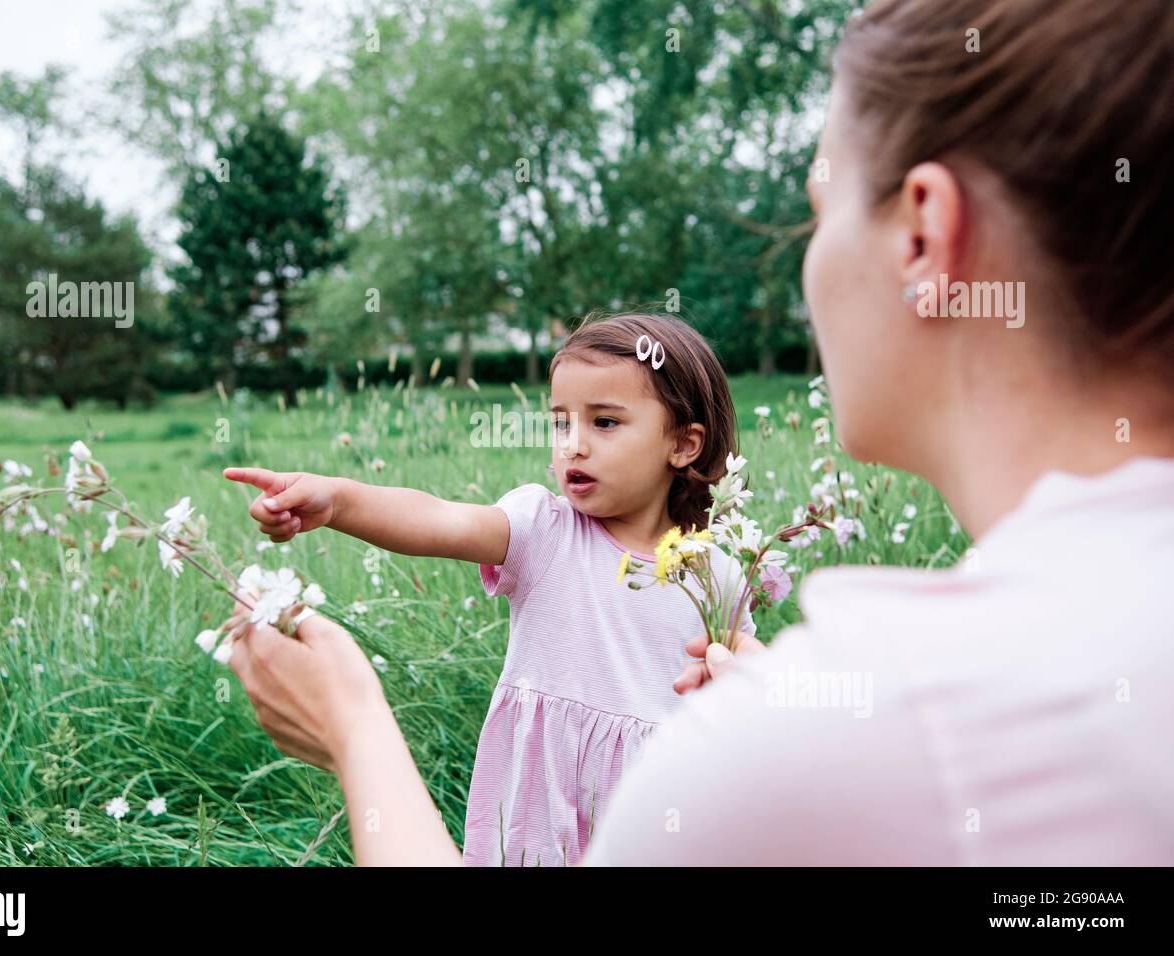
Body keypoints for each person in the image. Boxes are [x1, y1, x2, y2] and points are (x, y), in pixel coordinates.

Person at [229, 0, 1174, 864]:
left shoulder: (848, 715)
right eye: (564, 422)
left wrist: (356, 730)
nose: (574, 444)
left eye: (816, 211)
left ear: (923, 234)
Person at [225, 313, 761, 865]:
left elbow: (735, 706)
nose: (572, 446)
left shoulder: (716, 573)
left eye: (604, 423)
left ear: (683, 443)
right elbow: (438, 520)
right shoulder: (545, 531)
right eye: (561, 423)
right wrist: (339, 501)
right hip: (537, 811)